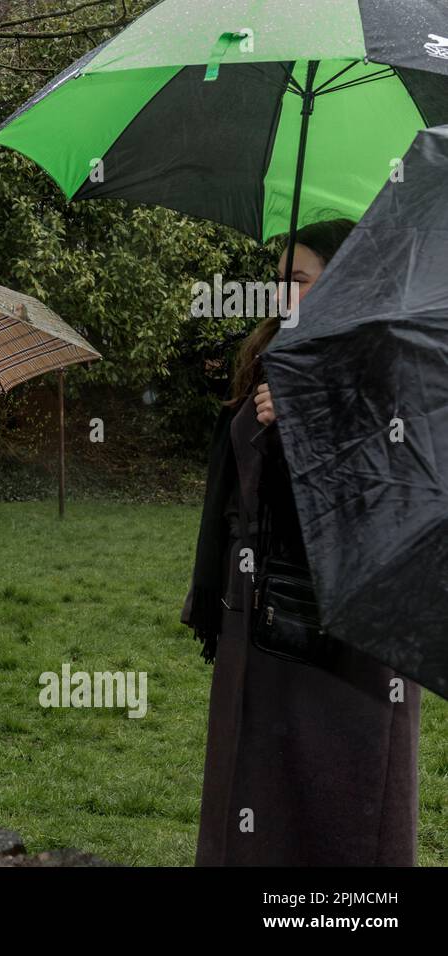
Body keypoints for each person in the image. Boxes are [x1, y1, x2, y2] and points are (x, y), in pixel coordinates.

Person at [185, 219, 421, 865]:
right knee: (253, 785)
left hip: (340, 631)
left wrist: (311, 425)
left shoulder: (385, 359)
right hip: (255, 613)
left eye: (298, 280)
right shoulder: (273, 352)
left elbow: (392, 494)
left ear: (345, 278)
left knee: (336, 797)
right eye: (278, 280)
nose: (281, 294)